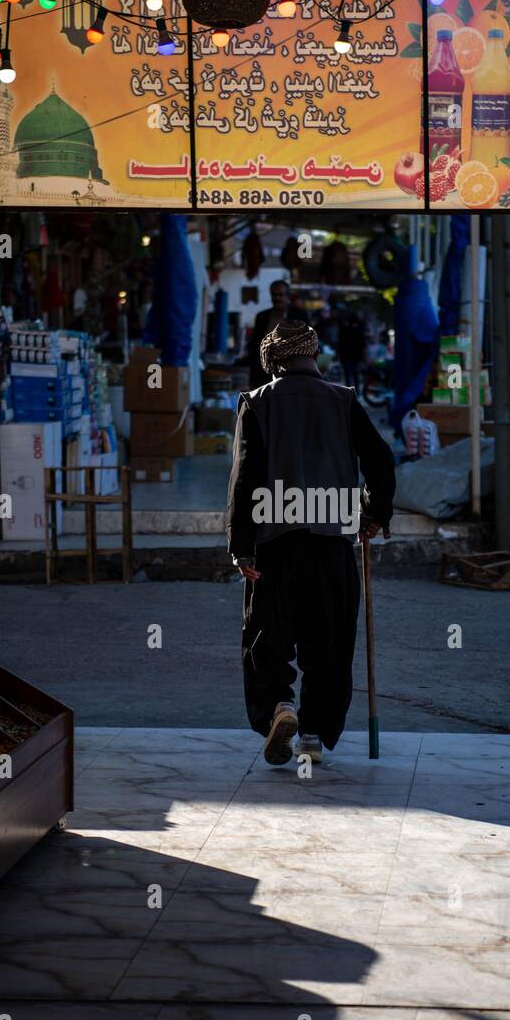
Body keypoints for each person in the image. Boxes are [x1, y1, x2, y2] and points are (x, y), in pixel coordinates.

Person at [226, 316, 395, 767]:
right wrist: (375, 514)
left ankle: (279, 707)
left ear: (271, 361)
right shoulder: (343, 400)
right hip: (332, 543)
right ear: (313, 354)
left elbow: (244, 480)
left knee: (266, 636)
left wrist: (241, 546)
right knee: (329, 644)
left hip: (273, 544)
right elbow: (380, 458)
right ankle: (313, 737)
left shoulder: (256, 403)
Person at [247, 279, 307, 389]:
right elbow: (254, 347)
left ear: (288, 296)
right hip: (264, 376)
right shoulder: (262, 317)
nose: (277, 298)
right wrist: (252, 377)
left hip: (292, 376)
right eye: (274, 295)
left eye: (281, 295)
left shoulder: (300, 316)